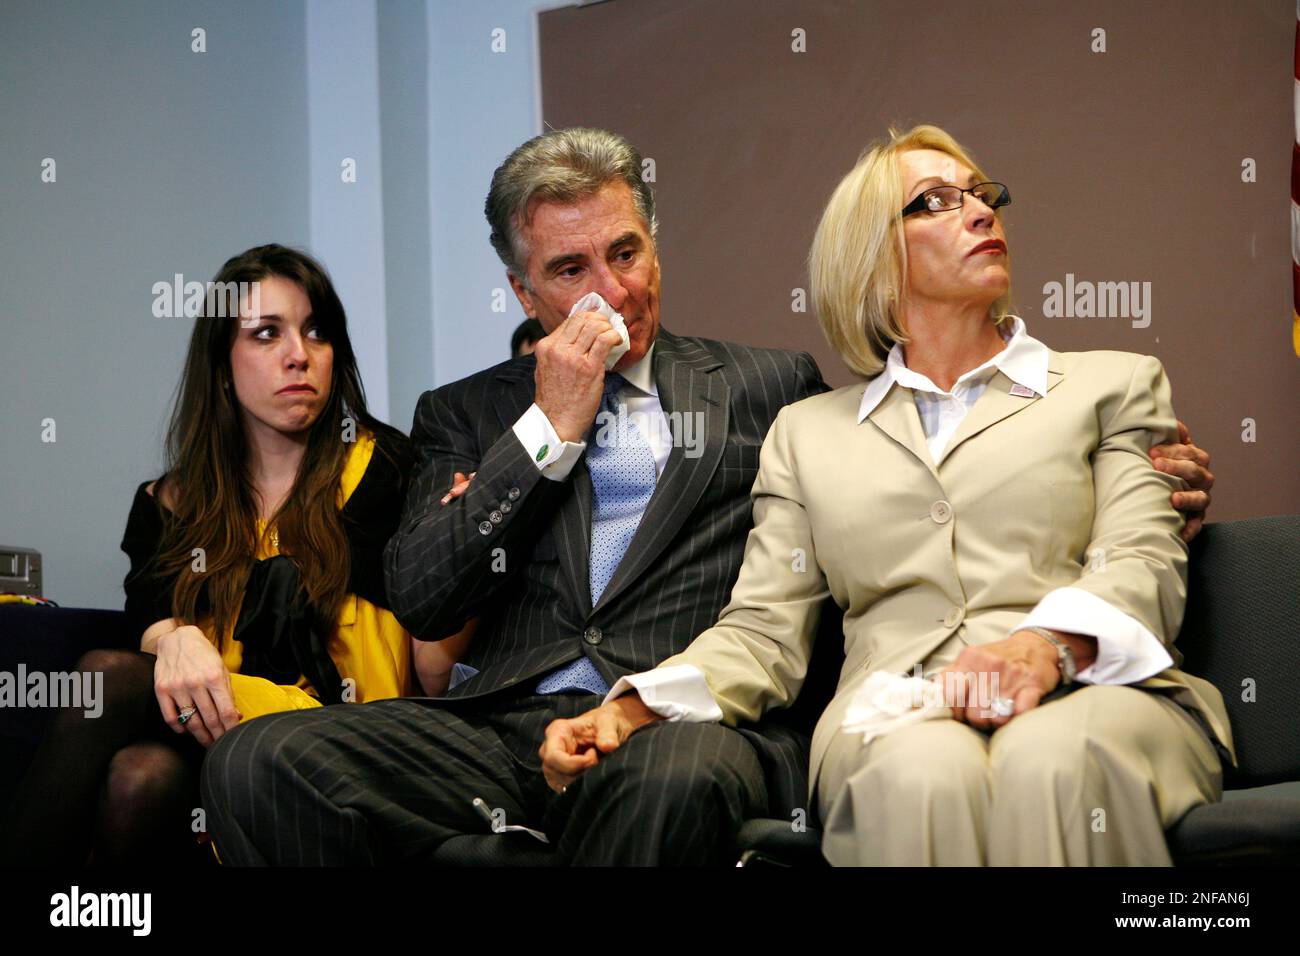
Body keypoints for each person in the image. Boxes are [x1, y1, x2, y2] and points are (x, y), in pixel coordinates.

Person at [201, 128, 1216, 866]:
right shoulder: (466, 413)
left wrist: (1134, 481)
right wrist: (544, 430)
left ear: (656, 242)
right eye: (570, 267)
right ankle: (525, 815)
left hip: (684, 724)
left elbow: (900, 488)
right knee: (259, 759)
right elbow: (422, 593)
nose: (614, 289)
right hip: (499, 726)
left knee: (673, 777)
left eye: (628, 251)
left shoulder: (770, 389)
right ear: (524, 294)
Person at [540, 125, 1233, 867]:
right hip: (896, 711)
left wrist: (1045, 649)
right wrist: (634, 704)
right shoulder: (806, 435)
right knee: (919, 776)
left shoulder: (1117, 383)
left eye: (982, 194)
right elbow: (764, 635)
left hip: (1097, 692)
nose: (980, 213)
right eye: (935, 202)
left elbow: (1141, 561)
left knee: (1050, 762)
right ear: (872, 256)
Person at [0, 244, 421, 865]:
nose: (298, 355)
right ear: (222, 364)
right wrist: (174, 637)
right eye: (265, 334)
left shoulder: (385, 469)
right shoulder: (171, 502)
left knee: (106, 678)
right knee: (139, 778)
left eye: (316, 332)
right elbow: (147, 607)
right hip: (217, 731)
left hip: (344, 738)